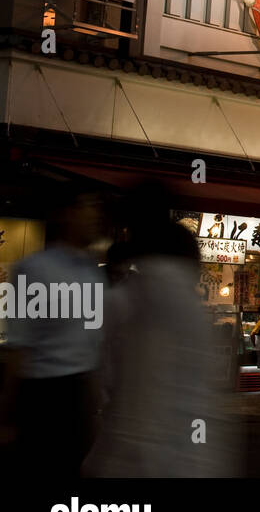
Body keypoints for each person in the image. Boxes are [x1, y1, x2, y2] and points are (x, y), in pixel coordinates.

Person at [86, 181, 236, 476]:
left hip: (136, 455)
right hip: (198, 453)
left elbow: (105, 380)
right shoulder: (192, 307)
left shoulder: (127, 300)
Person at [0, 183, 110, 478]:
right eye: (88, 207)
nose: (95, 216)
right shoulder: (34, 269)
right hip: (41, 395)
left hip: (79, 393)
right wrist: (7, 414)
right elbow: (19, 345)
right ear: (67, 214)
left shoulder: (94, 273)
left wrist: (96, 404)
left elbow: (94, 341)